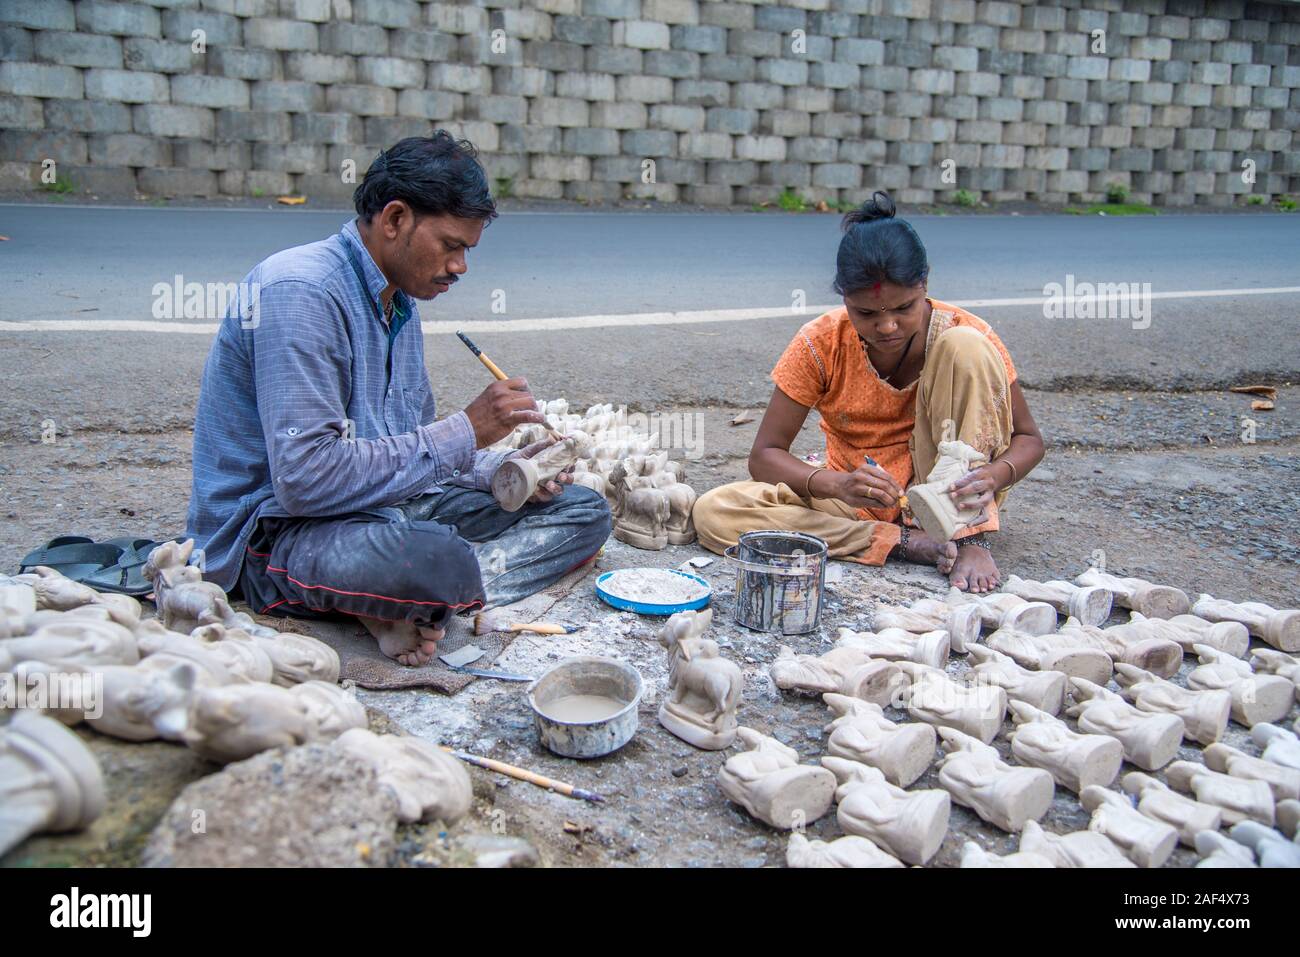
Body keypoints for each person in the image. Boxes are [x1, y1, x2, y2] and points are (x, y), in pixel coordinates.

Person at [186, 132, 611, 666]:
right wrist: (469, 429)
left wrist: (507, 470)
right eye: (452, 245)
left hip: (384, 511)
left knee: (584, 509)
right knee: (433, 560)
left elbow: (412, 455)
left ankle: (412, 599)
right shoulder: (300, 293)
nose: (461, 267)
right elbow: (303, 481)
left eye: (467, 251)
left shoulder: (399, 305)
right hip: (279, 531)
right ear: (394, 220)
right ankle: (420, 590)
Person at [693, 192, 1043, 592]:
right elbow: (765, 456)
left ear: (924, 282)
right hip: (858, 502)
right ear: (845, 298)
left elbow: (1029, 440)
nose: (888, 327)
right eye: (866, 314)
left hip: (951, 496)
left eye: (903, 308)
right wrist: (837, 484)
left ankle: (968, 537)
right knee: (715, 512)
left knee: (965, 344)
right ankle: (902, 543)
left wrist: (993, 477)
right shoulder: (821, 343)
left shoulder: (966, 332)